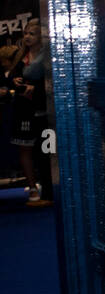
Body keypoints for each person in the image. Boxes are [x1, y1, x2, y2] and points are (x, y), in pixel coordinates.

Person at [6, 18, 53, 207]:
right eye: (25, 33)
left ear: (41, 38)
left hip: (43, 111)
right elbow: (9, 80)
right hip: (23, 111)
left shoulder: (48, 57)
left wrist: (35, 89)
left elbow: (50, 84)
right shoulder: (20, 56)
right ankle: (33, 188)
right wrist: (15, 84)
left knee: (45, 153)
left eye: (31, 34)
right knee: (25, 149)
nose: (27, 37)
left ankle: (49, 190)